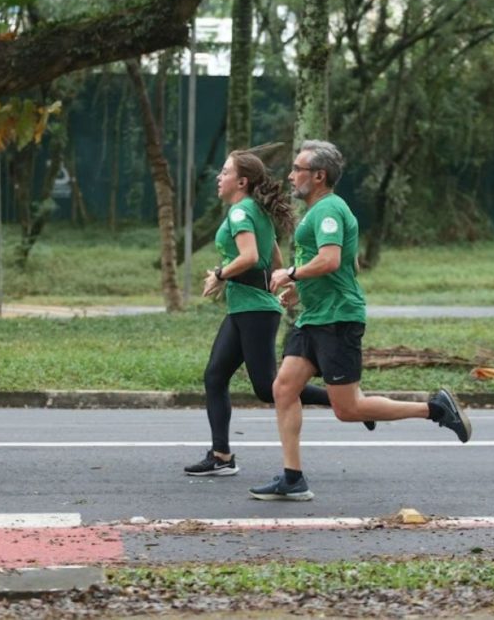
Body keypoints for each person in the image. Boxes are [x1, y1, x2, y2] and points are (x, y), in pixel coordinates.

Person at [249, 140, 472, 502]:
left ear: (318, 176)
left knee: (348, 409)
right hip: (315, 317)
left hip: (338, 320)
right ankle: (293, 477)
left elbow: (333, 260)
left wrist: (291, 273)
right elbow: (348, 265)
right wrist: (301, 289)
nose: (290, 176)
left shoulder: (329, 211)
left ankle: (435, 409)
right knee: (283, 388)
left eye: (297, 170)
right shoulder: (319, 211)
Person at [184, 150, 374, 478]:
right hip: (249, 307)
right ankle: (221, 455)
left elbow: (249, 256)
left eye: (225, 172)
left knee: (266, 388)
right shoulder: (254, 209)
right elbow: (271, 253)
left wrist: (219, 274)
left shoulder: (241, 212)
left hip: (254, 310)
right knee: (215, 376)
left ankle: (344, 402)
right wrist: (280, 282)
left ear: (241, 181)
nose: (219, 177)